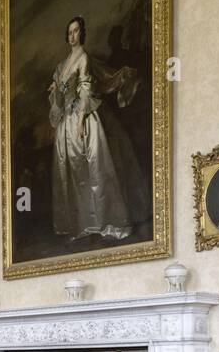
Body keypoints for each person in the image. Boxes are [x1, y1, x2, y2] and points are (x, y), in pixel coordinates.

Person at [48, 15, 148, 243]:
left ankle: (108, 221)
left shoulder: (83, 58)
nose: (73, 35)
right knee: (74, 173)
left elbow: (85, 90)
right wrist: (56, 89)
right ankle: (83, 223)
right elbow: (61, 98)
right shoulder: (62, 65)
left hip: (84, 117)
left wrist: (82, 119)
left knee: (95, 168)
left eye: (76, 31)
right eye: (70, 32)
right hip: (67, 124)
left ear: (82, 33)